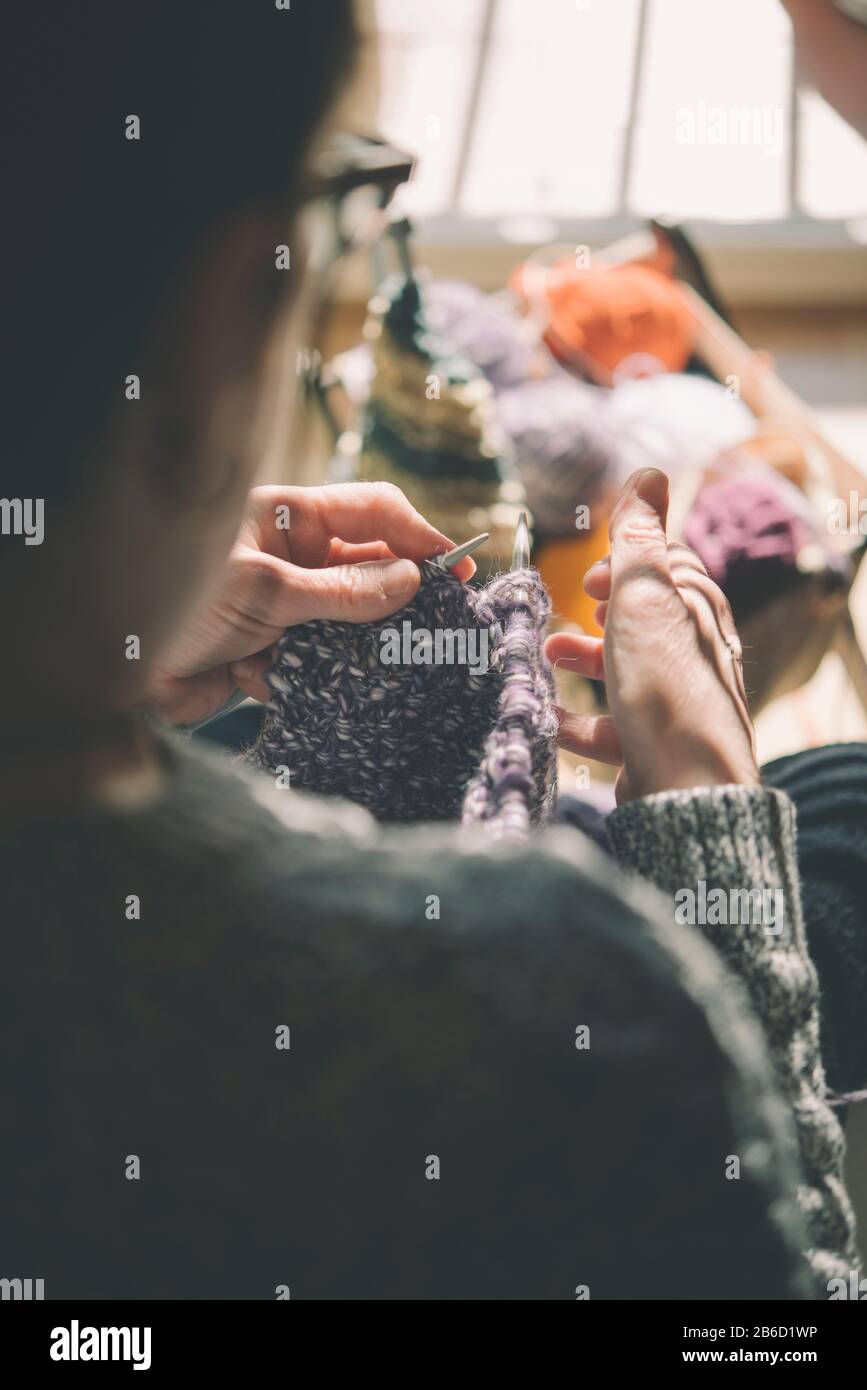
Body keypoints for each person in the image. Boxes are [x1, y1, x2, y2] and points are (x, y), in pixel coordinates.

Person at [0, 1, 857, 1299]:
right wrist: (709, 803)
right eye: (331, 204)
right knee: (842, 811)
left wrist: (84, 640)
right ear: (226, 300)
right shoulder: (551, 992)